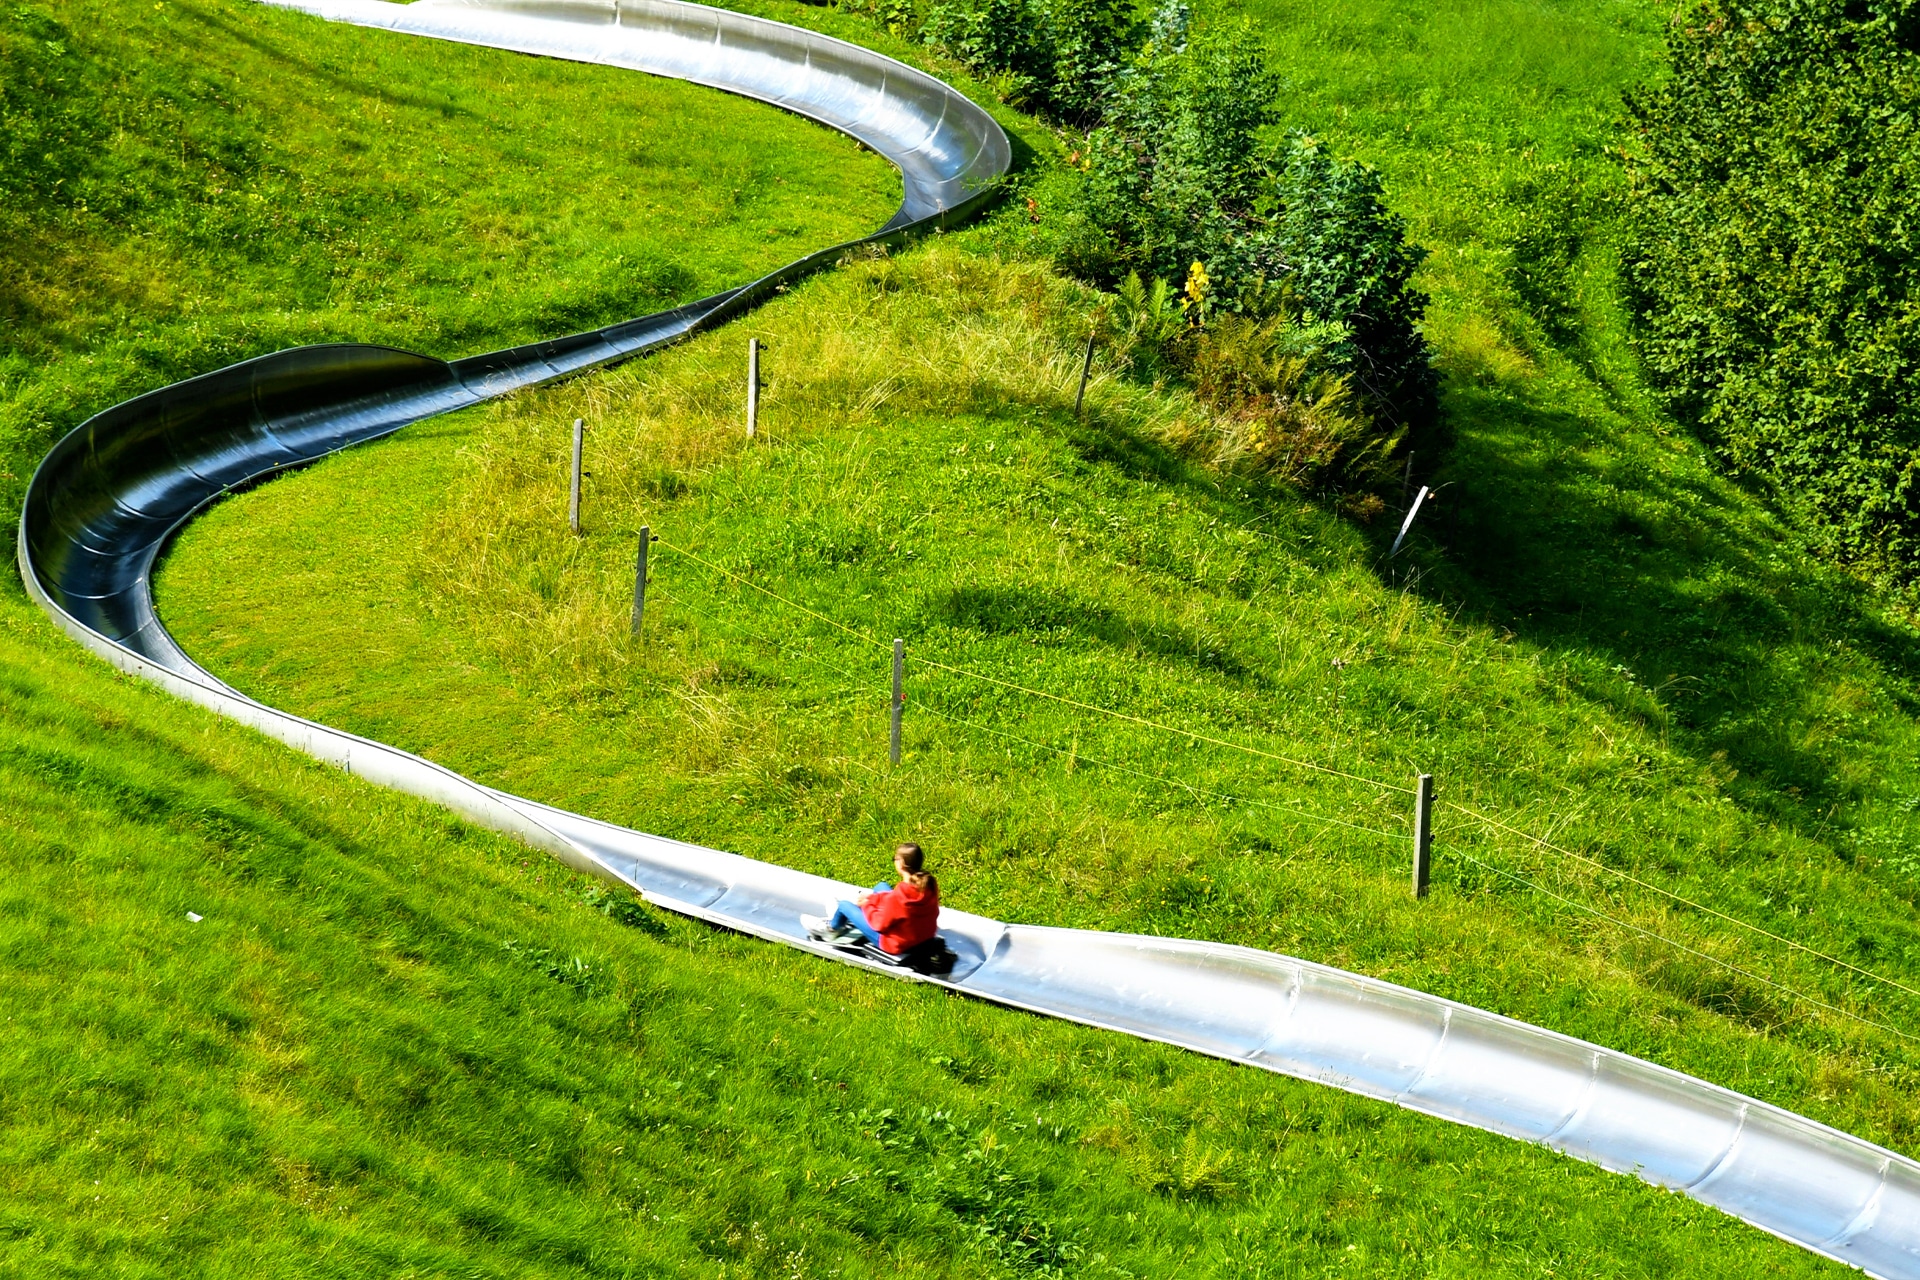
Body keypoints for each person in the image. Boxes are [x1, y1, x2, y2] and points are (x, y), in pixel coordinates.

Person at [803, 842, 940, 955]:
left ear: (902, 863)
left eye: (895, 858)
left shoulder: (900, 896)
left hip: (895, 942)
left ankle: (832, 928)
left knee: (844, 906)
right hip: (922, 935)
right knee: (881, 886)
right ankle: (847, 915)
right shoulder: (927, 885)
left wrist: (866, 906)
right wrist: (874, 899)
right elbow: (895, 902)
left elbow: (879, 924)